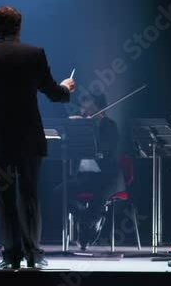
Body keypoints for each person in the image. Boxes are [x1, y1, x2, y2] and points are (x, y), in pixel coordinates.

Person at [0, 6, 76, 269]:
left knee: (3, 198)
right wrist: (66, 87)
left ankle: (11, 256)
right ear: (19, 27)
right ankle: (34, 255)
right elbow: (52, 92)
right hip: (28, 136)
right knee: (29, 195)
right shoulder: (33, 55)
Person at [62, 91, 125, 250]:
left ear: (100, 109)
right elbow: (67, 146)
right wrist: (73, 129)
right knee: (59, 193)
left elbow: (105, 150)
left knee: (98, 199)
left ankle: (86, 232)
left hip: (107, 178)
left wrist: (91, 127)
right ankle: (88, 217)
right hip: (85, 177)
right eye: (83, 109)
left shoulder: (109, 126)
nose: (84, 112)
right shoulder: (79, 126)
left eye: (89, 109)